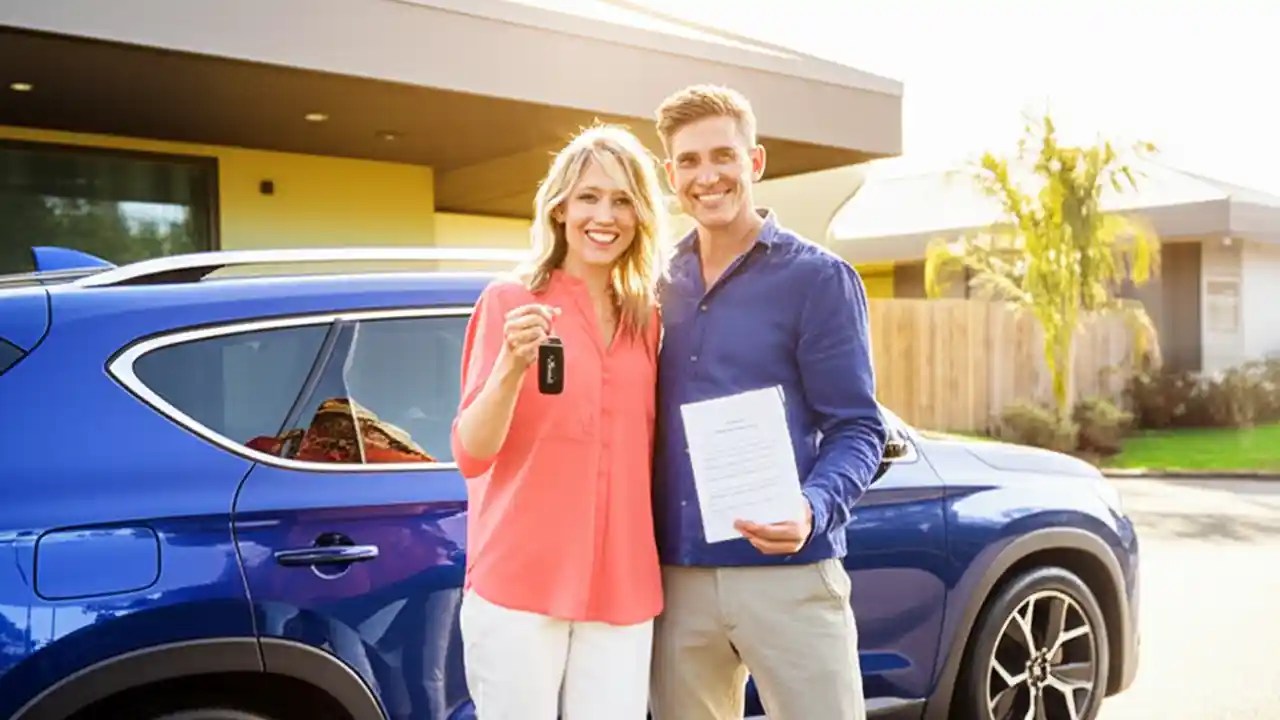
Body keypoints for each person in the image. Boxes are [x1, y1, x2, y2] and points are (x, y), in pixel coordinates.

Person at [648, 84, 888, 720]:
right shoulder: (653, 283)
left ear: (754, 163)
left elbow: (858, 428)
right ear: (671, 176)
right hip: (678, 579)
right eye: (690, 162)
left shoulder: (818, 280)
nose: (708, 176)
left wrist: (812, 508)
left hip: (790, 573)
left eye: (722, 156)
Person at [449, 123, 668, 720]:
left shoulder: (645, 319)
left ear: (641, 215)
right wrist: (511, 368)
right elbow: (472, 452)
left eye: (623, 199)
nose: (606, 214)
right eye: (590, 196)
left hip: (621, 587)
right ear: (560, 207)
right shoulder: (509, 301)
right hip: (521, 582)